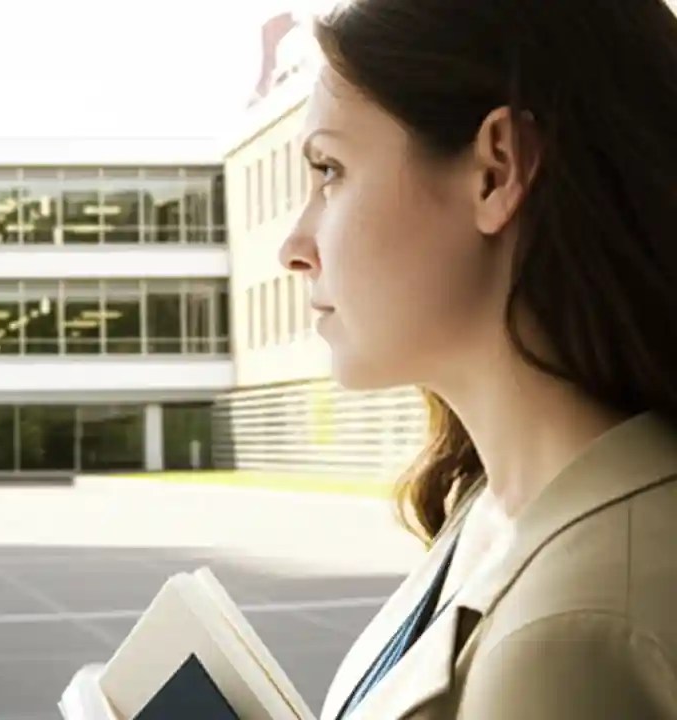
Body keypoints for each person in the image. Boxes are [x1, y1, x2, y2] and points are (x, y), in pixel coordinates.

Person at [62, 0, 677, 717]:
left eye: (329, 170)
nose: (293, 245)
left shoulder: (569, 638)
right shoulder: (488, 510)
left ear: (497, 170)